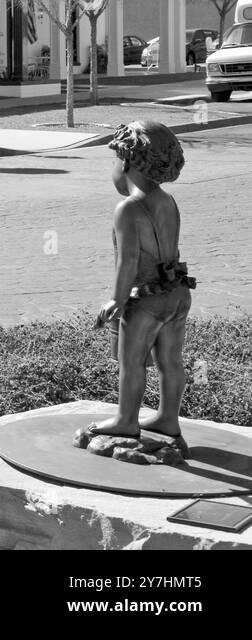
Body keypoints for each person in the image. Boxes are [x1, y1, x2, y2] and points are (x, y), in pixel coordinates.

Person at [86, 121, 196, 455]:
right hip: (177, 293)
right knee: (170, 360)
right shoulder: (169, 200)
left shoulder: (128, 208)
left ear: (127, 162)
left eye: (114, 161)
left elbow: (129, 261)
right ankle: (167, 418)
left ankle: (126, 420)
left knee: (131, 361)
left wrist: (116, 300)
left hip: (146, 299)